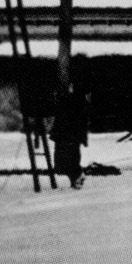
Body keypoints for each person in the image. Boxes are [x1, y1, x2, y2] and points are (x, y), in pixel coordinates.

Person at [51, 59, 90, 188]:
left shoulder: (74, 90)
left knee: (69, 154)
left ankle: (76, 175)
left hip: (70, 126)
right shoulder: (68, 86)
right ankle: (75, 175)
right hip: (68, 126)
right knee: (67, 155)